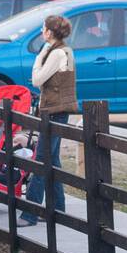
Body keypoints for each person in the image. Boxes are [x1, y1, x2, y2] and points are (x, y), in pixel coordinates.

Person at [21, 14, 76, 226]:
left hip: (54, 111)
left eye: (44, 29)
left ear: (50, 32)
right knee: (52, 160)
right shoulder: (62, 50)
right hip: (56, 110)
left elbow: (37, 80)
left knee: (41, 160)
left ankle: (30, 213)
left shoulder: (57, 54)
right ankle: (58, 211)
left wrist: (39, 58)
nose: (42, 32)